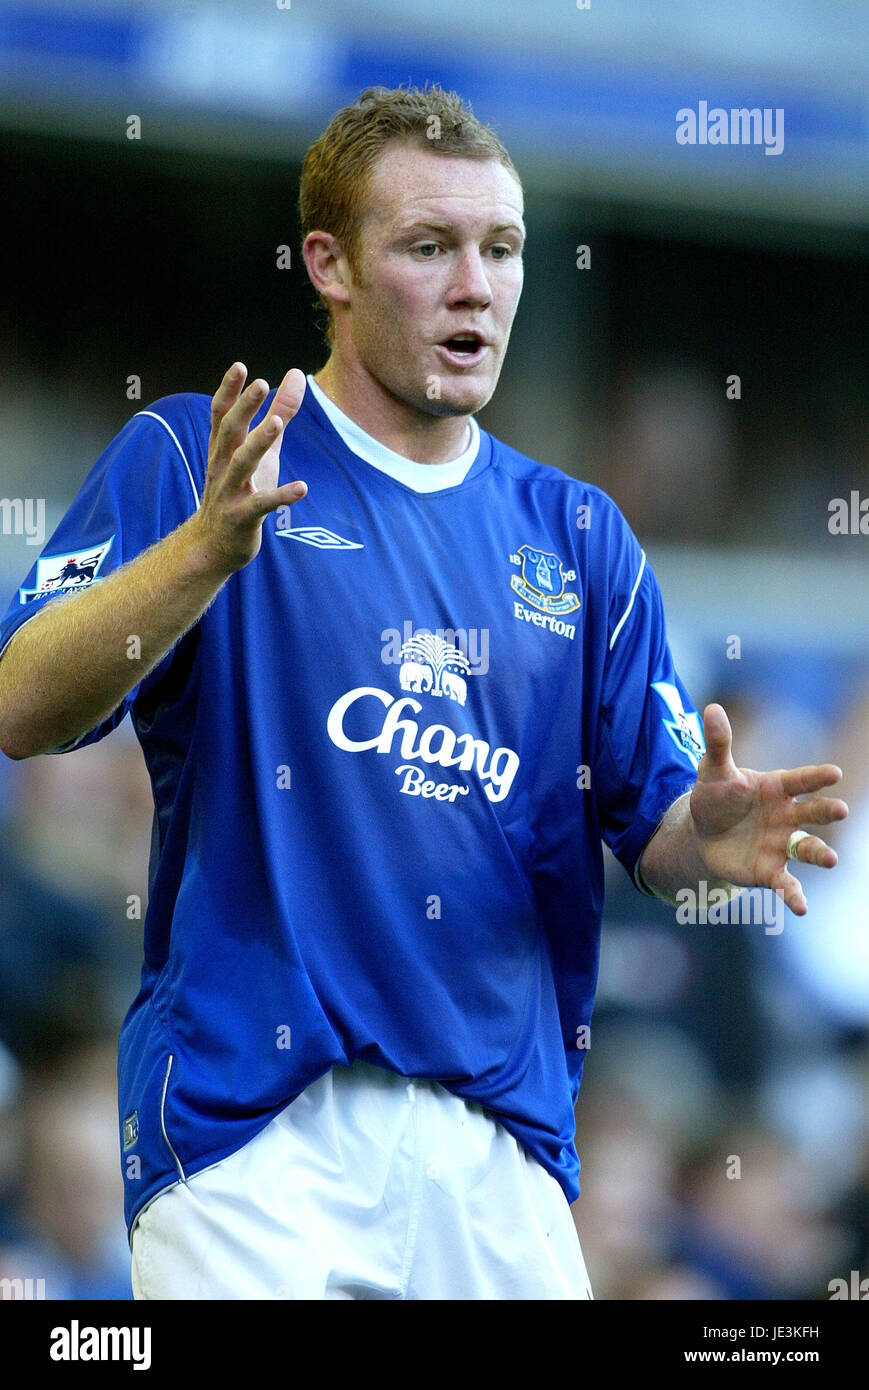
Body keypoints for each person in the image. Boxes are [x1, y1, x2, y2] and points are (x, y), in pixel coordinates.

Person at [0, 85, 847, 1301]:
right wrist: (199, 556)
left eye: (500, 249)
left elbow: (654, 827)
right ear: (328, 266)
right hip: (250, 1139)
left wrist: (700, 835)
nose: (476, 286)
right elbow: (21, 706)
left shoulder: (579, 538)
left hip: (495, 1153)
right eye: (429, 247)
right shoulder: (203, 455)